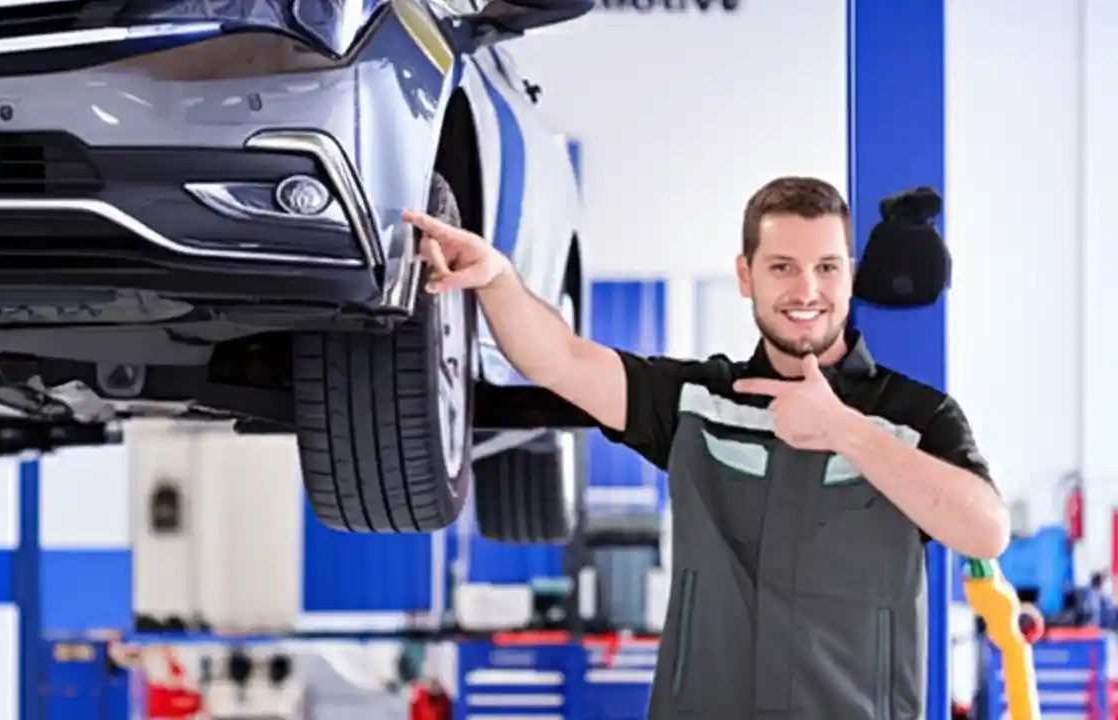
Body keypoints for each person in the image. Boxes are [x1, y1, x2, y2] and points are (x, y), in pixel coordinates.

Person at [403, 176, 1010, 719]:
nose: (807, 289)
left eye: (827, 267)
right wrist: (499, 279)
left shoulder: (914, 416)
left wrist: (844, 430)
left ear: (849, 274)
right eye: (782, 267)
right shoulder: (696, 403)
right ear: (745, 275)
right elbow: (560, 360)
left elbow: (985, 531)